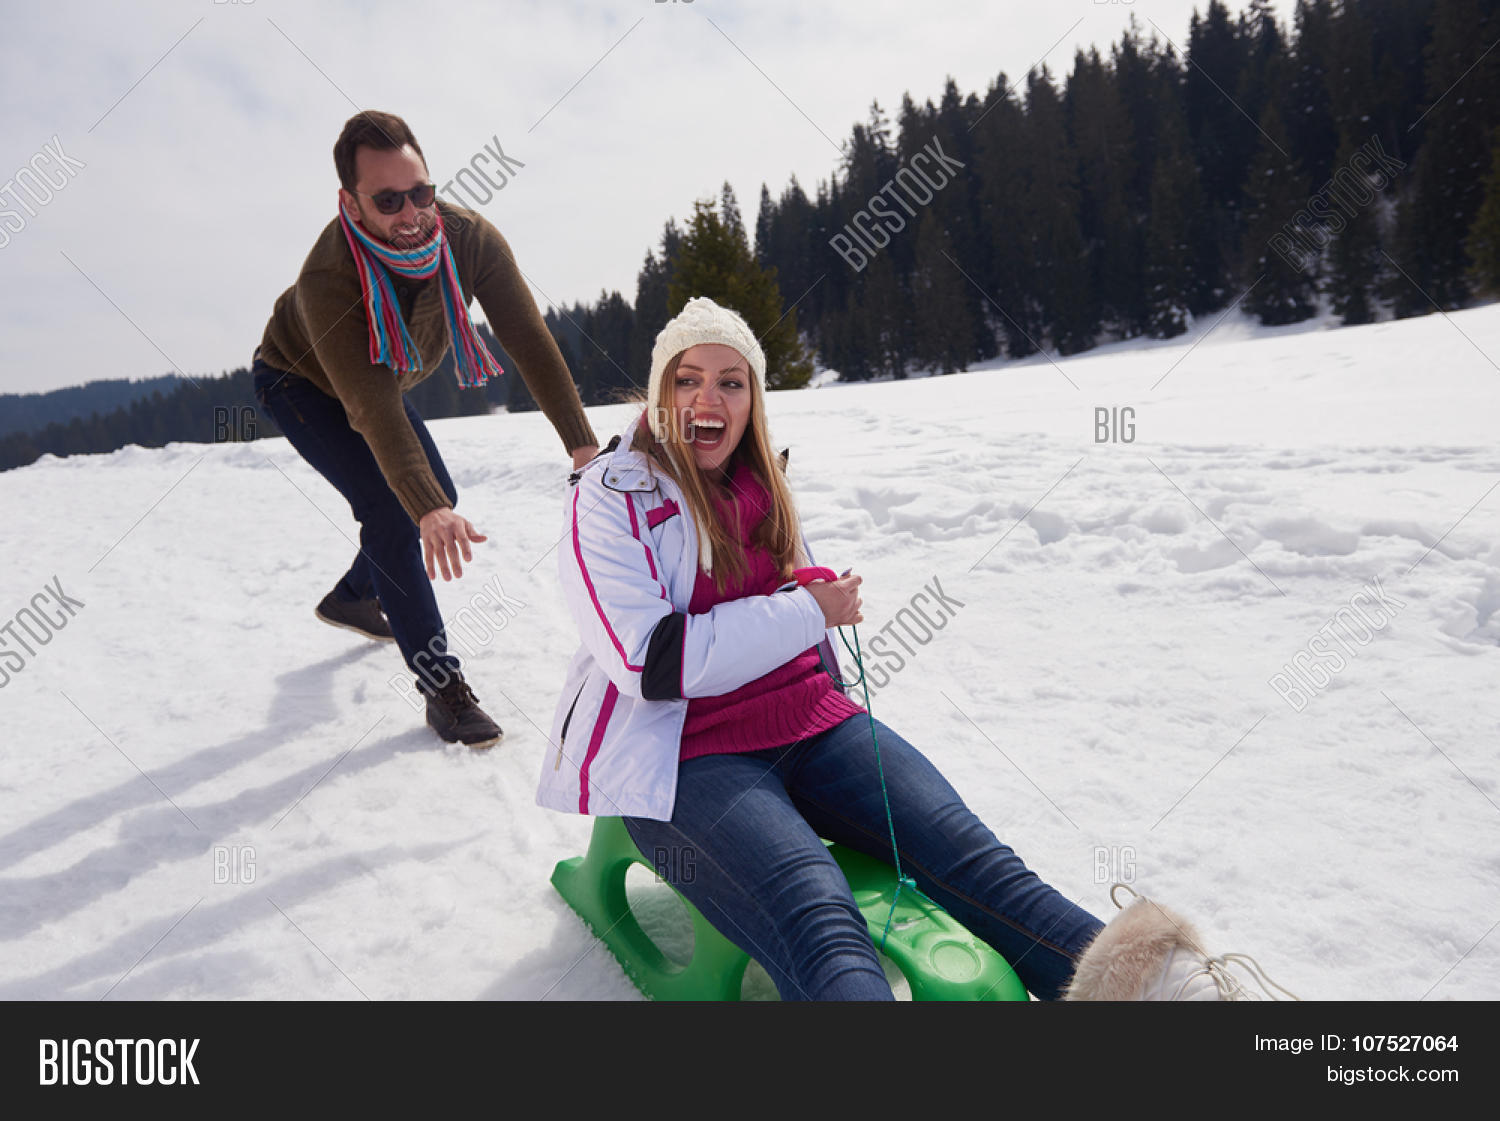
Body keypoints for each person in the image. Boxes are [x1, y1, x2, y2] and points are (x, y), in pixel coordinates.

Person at [537, 297, 1290, 1001]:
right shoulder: (609, 493)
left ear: (752, 402)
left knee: (982, 869)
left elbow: (786, 597)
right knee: (819, 913)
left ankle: (1172, 992)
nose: (710, 399)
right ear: (660, 391)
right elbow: (652, 662)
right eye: (689, 379)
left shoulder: (763, 480)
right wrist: (806, 609)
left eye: (731, 382)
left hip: (809, 720)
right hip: (682, 760)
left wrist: (808, 588)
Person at [252, 110, 598, 749]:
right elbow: (371, 408)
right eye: (388, 200)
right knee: (396, 509)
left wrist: (582, 446)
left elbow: (529, 341)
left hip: (379, 381)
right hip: (302, 384)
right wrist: (425, 509)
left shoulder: (468, 239)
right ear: (349, 204)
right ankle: (444, 690)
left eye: (421, 192)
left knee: (434, 498)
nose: (411, 213)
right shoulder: (329, 281)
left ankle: (355, 597)